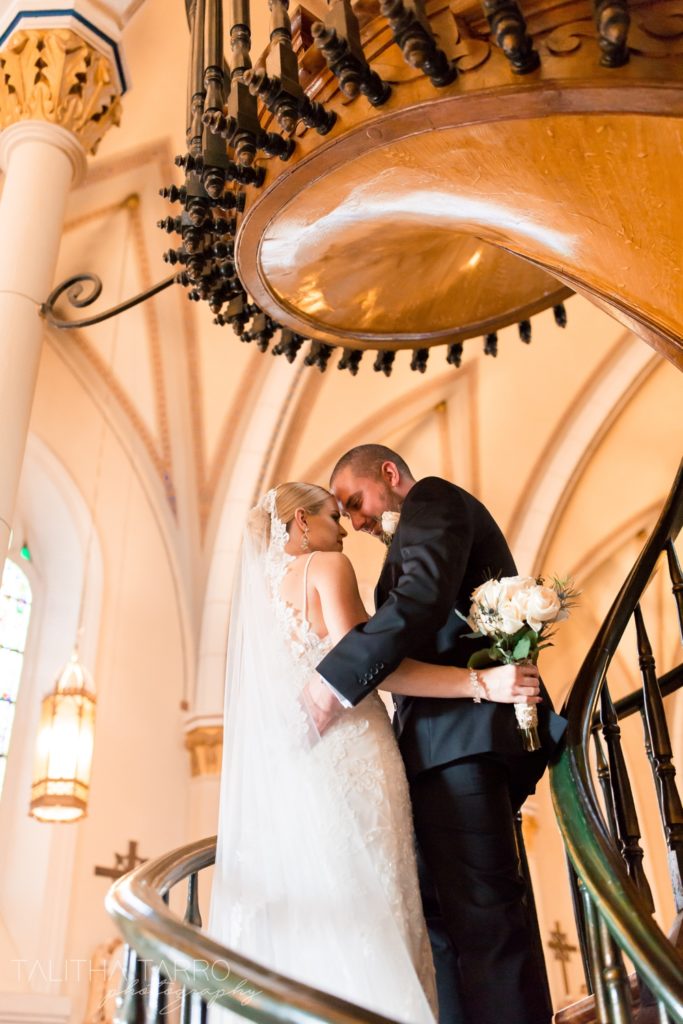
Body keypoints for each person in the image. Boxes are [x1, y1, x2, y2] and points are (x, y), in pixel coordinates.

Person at [208, 481, 544, 1023]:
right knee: (386, 911)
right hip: (357, 755)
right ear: (300, 522)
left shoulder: (262, 601)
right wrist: (480, 684)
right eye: (333, 515)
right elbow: (376, 667)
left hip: (308, 769)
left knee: (335, 913)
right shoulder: (326, 567)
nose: (343, 528)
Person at [306, 445, 567, 1024]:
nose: (355, 521)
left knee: (486, 920)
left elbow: (419, 598)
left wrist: (336, 680)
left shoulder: (433, 499)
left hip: (461, 744)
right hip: (437, 748)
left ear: (390, 475)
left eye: (356, 501)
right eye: (344, 513)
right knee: (444, 927)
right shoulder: (411, 529)